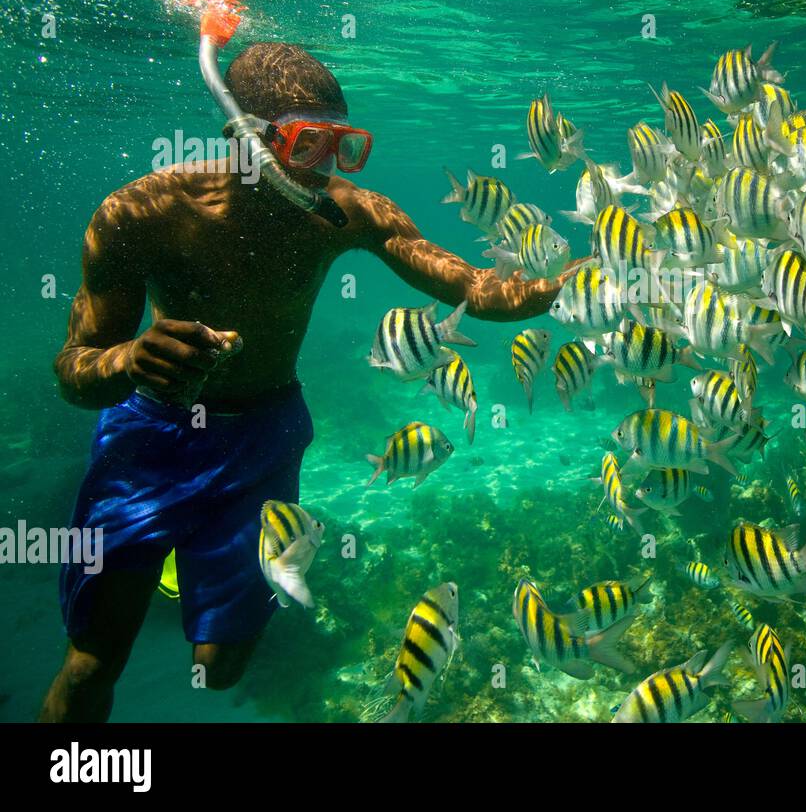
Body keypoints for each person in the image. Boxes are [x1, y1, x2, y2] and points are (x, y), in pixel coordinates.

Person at [39, 42, 561, 721]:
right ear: (246, 136)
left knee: (221, 669)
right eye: (308, 144)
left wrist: (534, 293)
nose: (327, 169)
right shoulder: (141, 213)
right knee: (92, 664)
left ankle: (189, 554)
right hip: (150, 438)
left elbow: (466, 284)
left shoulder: (347, 211)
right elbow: (73, 374)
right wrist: (132, 359)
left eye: (345, 147)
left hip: (265, 434)